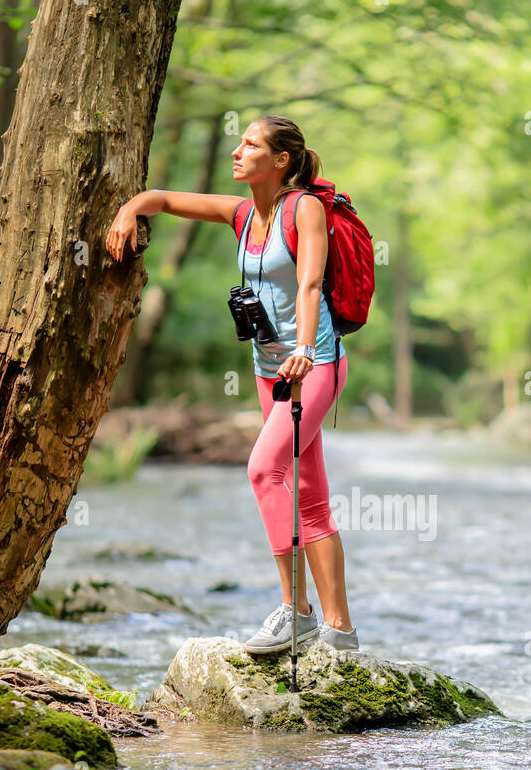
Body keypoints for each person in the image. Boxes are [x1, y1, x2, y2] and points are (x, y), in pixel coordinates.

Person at [105, 115, 358, 653]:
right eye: (239, 141)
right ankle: (339, 631)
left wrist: (306, 349)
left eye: (251, 144)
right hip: (268, 373)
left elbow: (311, 281)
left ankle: (296, 610)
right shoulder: (242, 214)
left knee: (264, 470)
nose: (237, 150)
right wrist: (130, 208)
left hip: (313, 367)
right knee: (309, 495)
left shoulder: (304, 208)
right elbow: (166, 200)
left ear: (280, 161)